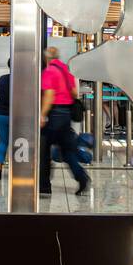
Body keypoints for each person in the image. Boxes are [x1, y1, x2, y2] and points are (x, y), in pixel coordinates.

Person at [39, 53, 89, 196]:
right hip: (66, 114)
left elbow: (49, 95)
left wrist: (42, 115)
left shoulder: (49, 71)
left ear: (46, 59)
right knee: (67, 151)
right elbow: (74, 93)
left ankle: (43, 186)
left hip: (54, 114)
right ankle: (82, 177)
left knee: (44, 149)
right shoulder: (66, 70)